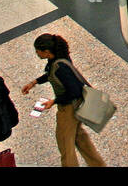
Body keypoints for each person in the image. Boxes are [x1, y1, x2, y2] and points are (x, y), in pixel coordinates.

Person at [20, 33, 106, 167]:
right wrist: (34, 82)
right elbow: (50, 74)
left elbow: (74, 91)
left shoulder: (60, 68)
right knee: (80, 138)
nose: (36, 53)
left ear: (47, 52)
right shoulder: (59, 59)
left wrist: (53, 101)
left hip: (68, 110)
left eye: (38, 51)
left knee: (65, 145)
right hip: (77, 107)